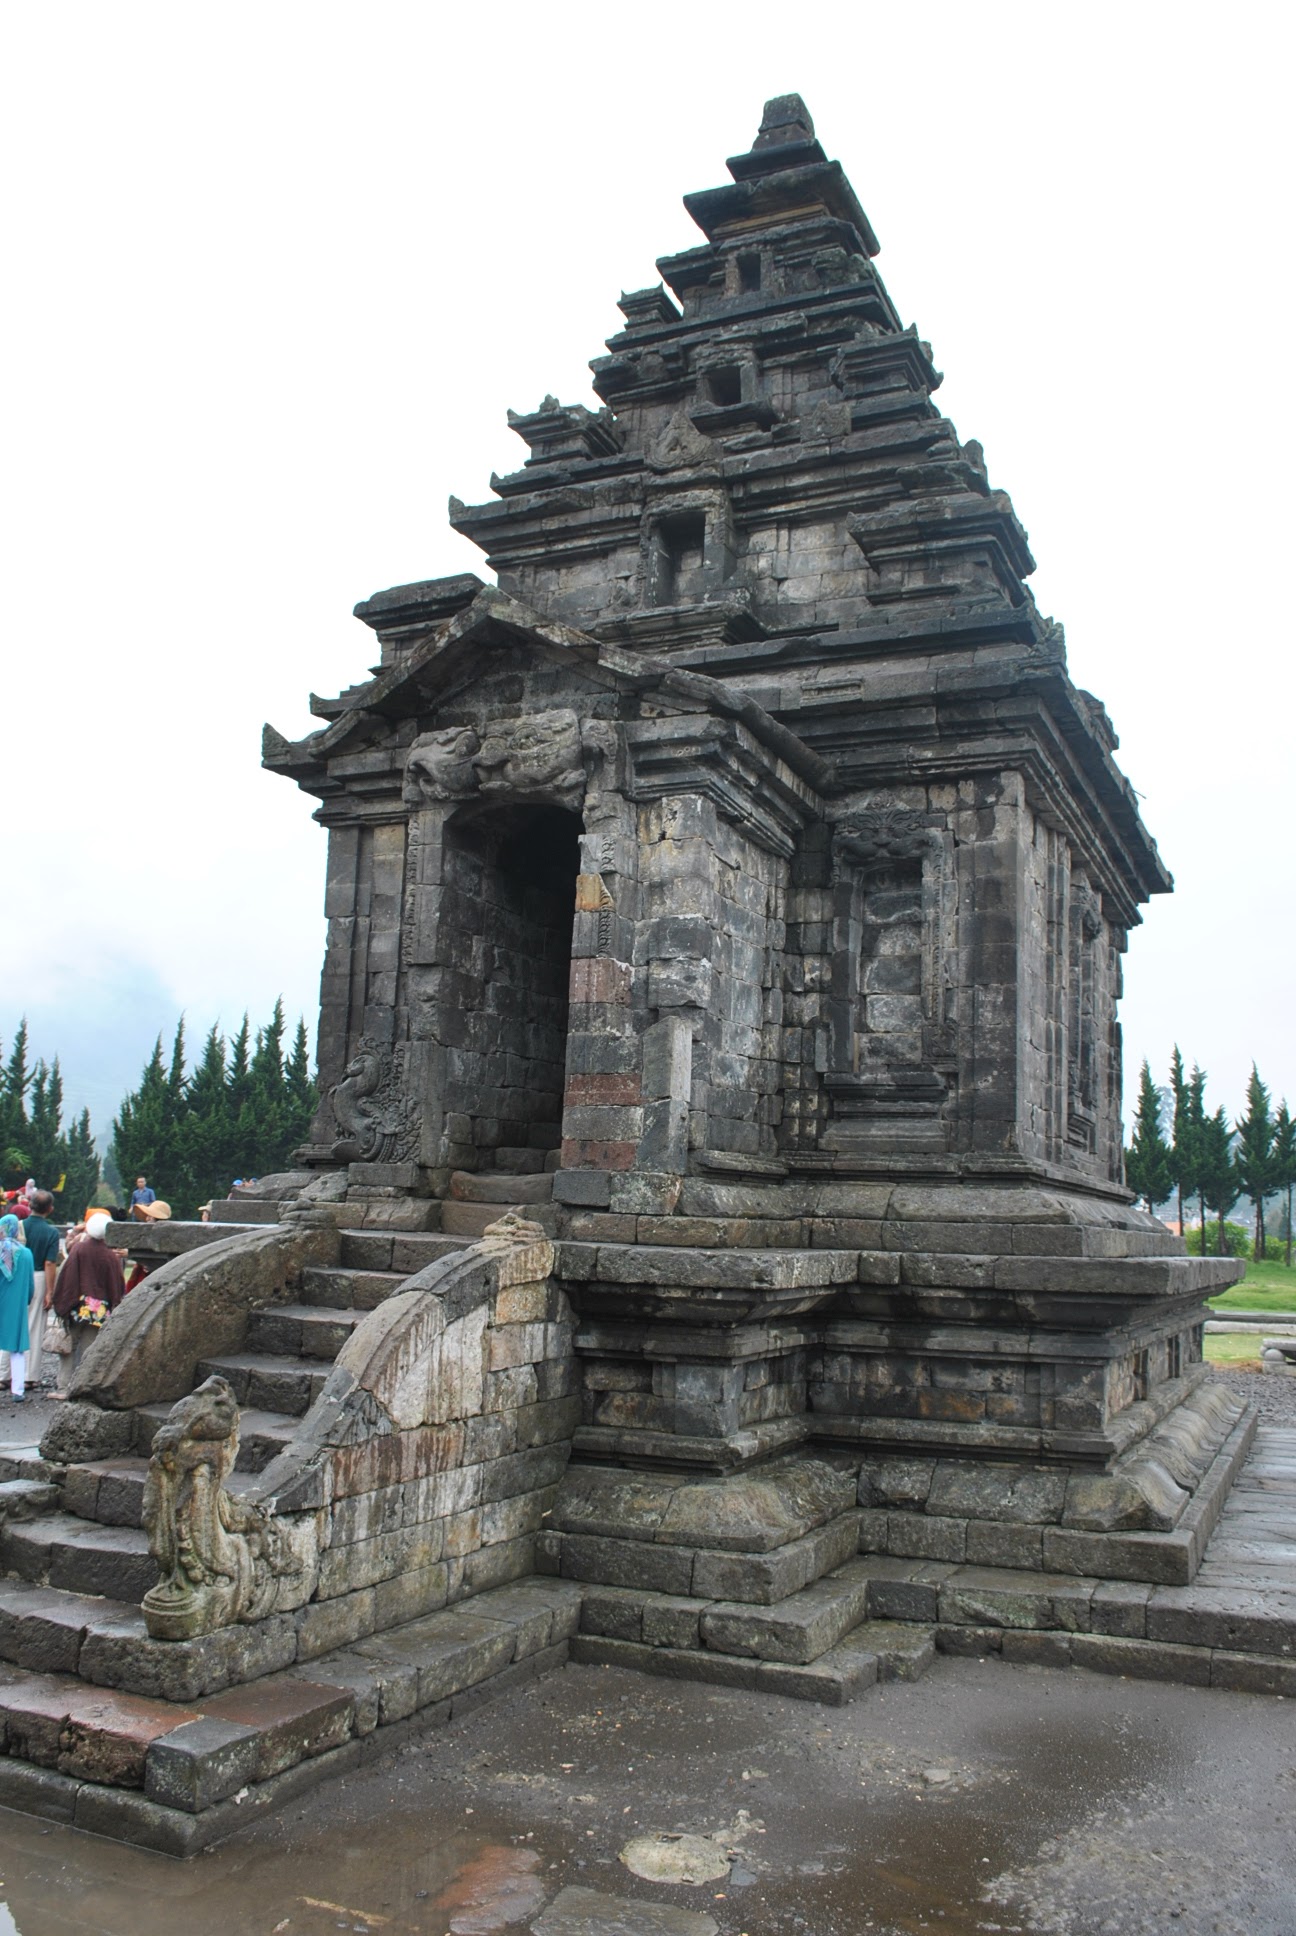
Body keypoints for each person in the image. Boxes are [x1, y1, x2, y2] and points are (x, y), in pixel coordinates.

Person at [51, 1212, 126, 1395]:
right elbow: (117, 1284)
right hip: (100, 1309)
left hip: (78, 1305)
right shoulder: (111, 1256)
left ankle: (63, 1386)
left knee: (68, 1346)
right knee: (89, 1349)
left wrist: (62, 1303)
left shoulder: (79, 1249)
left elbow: (68, 1277)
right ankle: (82, 1387)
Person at [11, 1189, 59, 1386]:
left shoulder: (16, 1226)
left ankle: (5, 1373)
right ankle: (29, 1375)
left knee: (10, 1323)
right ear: (50, 1209)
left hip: (13, 1276)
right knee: (34, 1325)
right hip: (38, 1275)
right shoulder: (51, 1232)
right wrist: (50, 1290)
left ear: (29, 1205)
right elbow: (50, 1263)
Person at [0, 1214, 33, 1401]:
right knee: (17, 1348)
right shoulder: (26, 1253)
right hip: (17, 1304)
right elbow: (30, 1284)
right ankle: (18, 1389)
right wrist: (26, 1300)